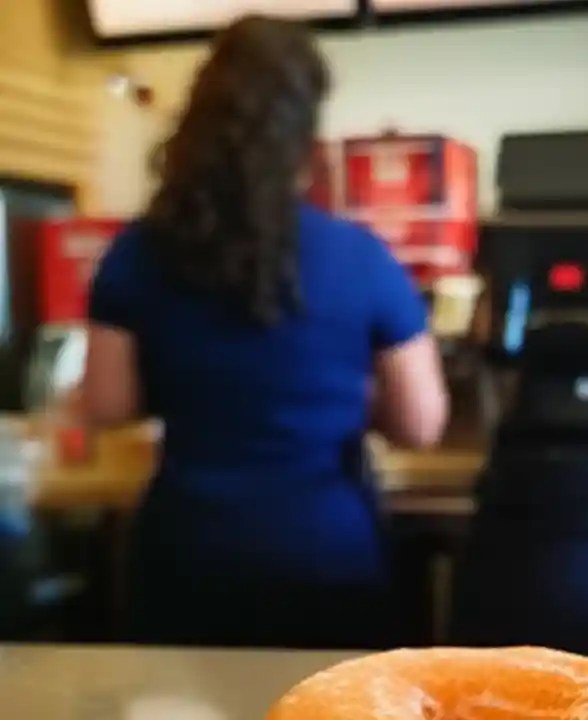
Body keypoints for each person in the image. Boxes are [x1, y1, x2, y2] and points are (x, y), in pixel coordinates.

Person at [80, 16, 449, 649]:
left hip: (186, 553)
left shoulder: (137, 254)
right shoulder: (361, 258)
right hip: (325, 556)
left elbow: (106, 405)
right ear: (304, 131)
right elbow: (420, 423)